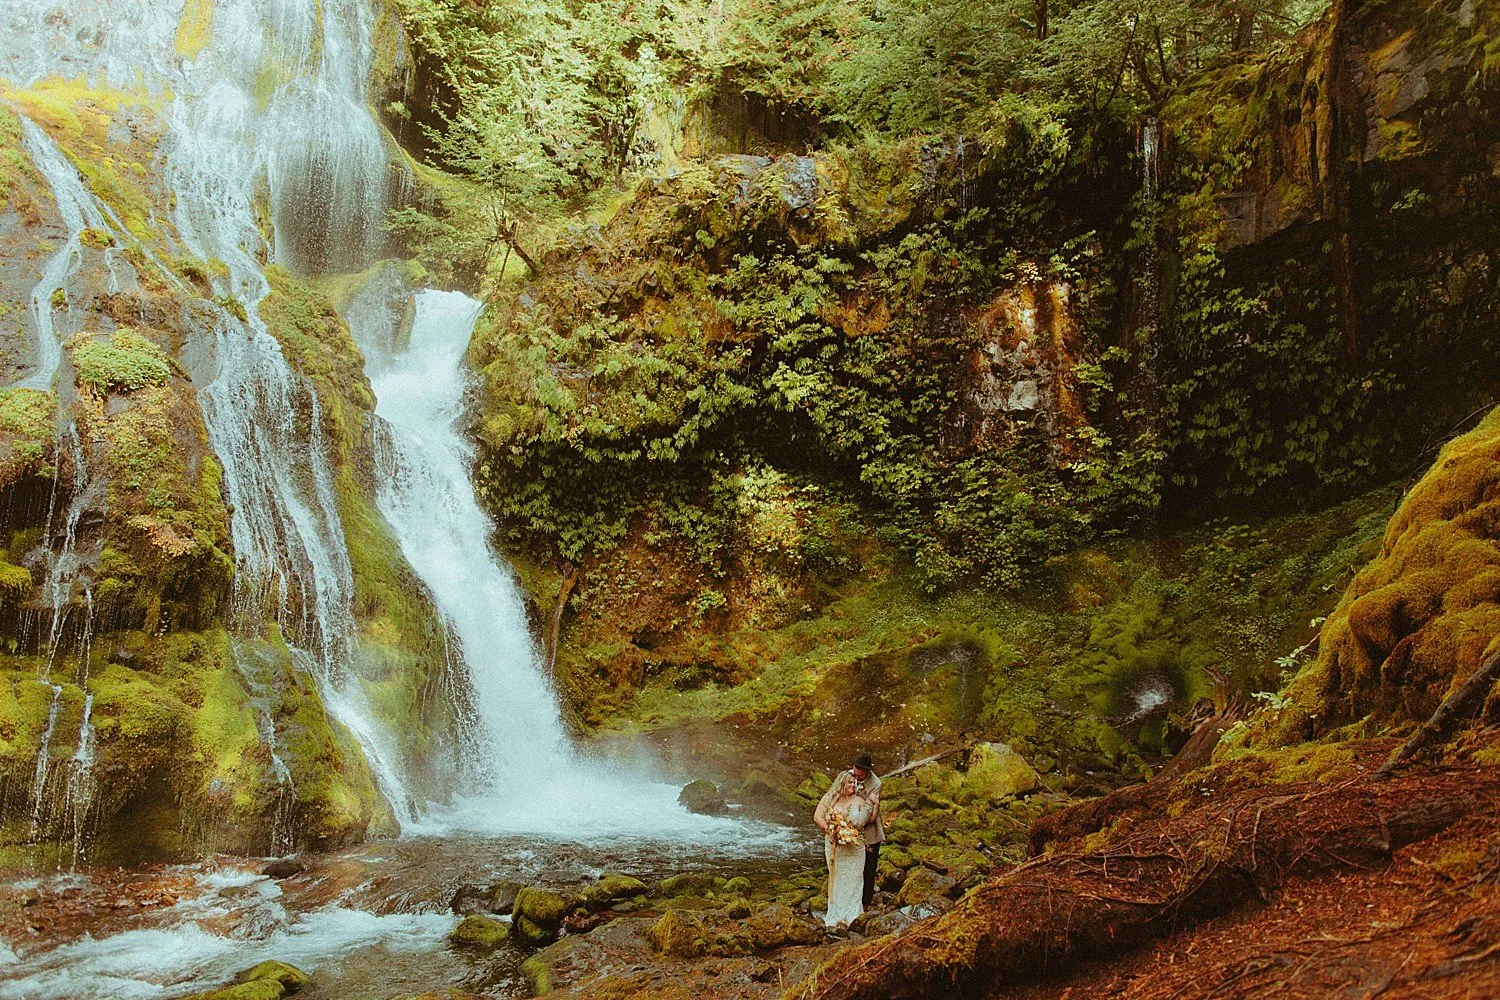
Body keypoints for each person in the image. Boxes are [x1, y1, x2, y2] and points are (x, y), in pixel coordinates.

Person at [814, 752, 884, 911]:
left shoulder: (875, 783)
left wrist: (851, 825)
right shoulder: (849, 777)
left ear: (867, 772)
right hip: (844, 824)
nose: (855, 779)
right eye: (854, 774)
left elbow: (867, 811)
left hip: (867, 827)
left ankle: (863, 904)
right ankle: (838, 901)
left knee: (868, 868)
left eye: (859, 776)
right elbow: (836, 791)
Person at [814, 773, 872, 927]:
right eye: (850, 783)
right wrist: (829, 830)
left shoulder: (859, 801)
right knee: (837, 877)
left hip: (854, 847)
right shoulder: (829, 798)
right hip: (834, 846)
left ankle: (853, 915)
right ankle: (836, 914)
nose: (853, 786)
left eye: (855, 783)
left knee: (855, 878)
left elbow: (869, 820)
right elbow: (817, 816)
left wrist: (875, 803)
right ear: (842, 783)